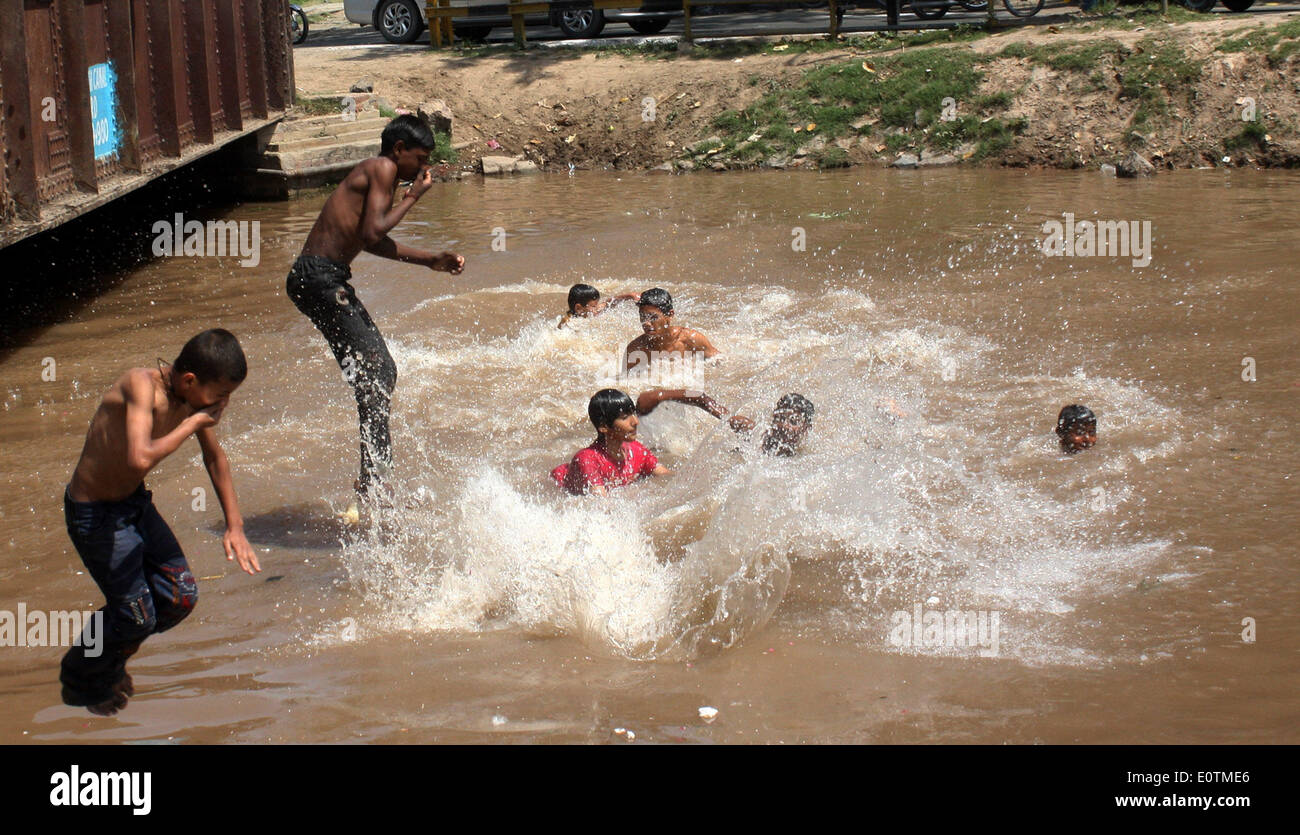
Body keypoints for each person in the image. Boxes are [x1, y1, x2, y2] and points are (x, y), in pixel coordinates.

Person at [60, 329, 259, 716]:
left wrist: (235, 527)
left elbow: (216, 460)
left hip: (133, 504)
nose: (224, 404)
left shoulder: (192, 401)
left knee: (180, 598)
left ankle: (110, 656)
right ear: (189, 381)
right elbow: (139, 458)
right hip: (95, 515)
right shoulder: (140, 386)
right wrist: (193, 422)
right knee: (136, 616)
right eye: (220, 395)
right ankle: (83, 678)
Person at [285, 114, 464, 498]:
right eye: (419, 158)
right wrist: (414, 196)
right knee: (380, 371)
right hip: (320, 280)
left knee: (374, 374)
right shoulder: (383, 167)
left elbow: (370, 241)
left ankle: (372, 476)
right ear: (399, 150)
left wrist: (430, 260)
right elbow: (374, 232)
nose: (423, 168)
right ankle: (374, 478)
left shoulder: (377, 172)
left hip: (315, 280)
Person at [551, 389, 670, 495]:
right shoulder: (587, 460)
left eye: (633, 413)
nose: (635, 422)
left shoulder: (636, 450)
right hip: (557, 486)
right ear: (603, 426)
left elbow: (669, 478)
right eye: (624, 417)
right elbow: (601, 504)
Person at [635, 388, 815, 457]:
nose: (784, 425)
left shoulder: (804, 459)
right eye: (780, 418)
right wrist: (660, 396)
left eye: (793, 421)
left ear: (806, 429)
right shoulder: (754, 431)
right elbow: (703, 399)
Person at [623, 288, 721, 377]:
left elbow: (719, 363)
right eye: (643, 317)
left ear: (670, 314)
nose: (647, 323)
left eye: (653, 317)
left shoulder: (691, 340)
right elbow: (625, 380)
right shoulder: (636, 349)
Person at [557, 284, 640, 329]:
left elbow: (608, 303)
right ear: (578, 308)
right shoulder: (568, 323)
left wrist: (629, 296)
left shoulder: (591, 312)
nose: (596, 309)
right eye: (593, 306)